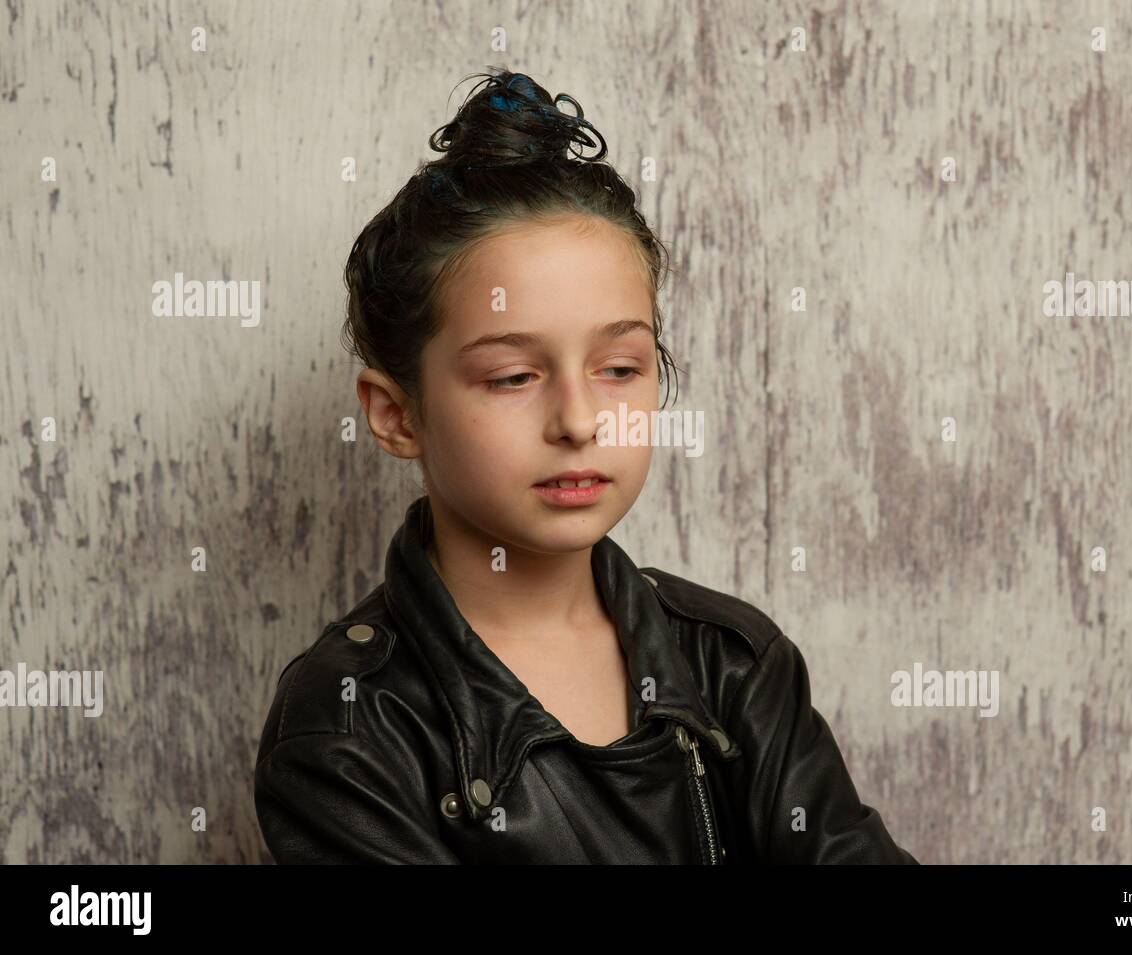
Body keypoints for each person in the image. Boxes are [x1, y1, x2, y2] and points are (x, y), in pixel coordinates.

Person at [253, 68, 917, 865]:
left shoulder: (734, 663)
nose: (578, 420)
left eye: (619, 367)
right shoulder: (351, 726)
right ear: (397, 414)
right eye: (511, 377)